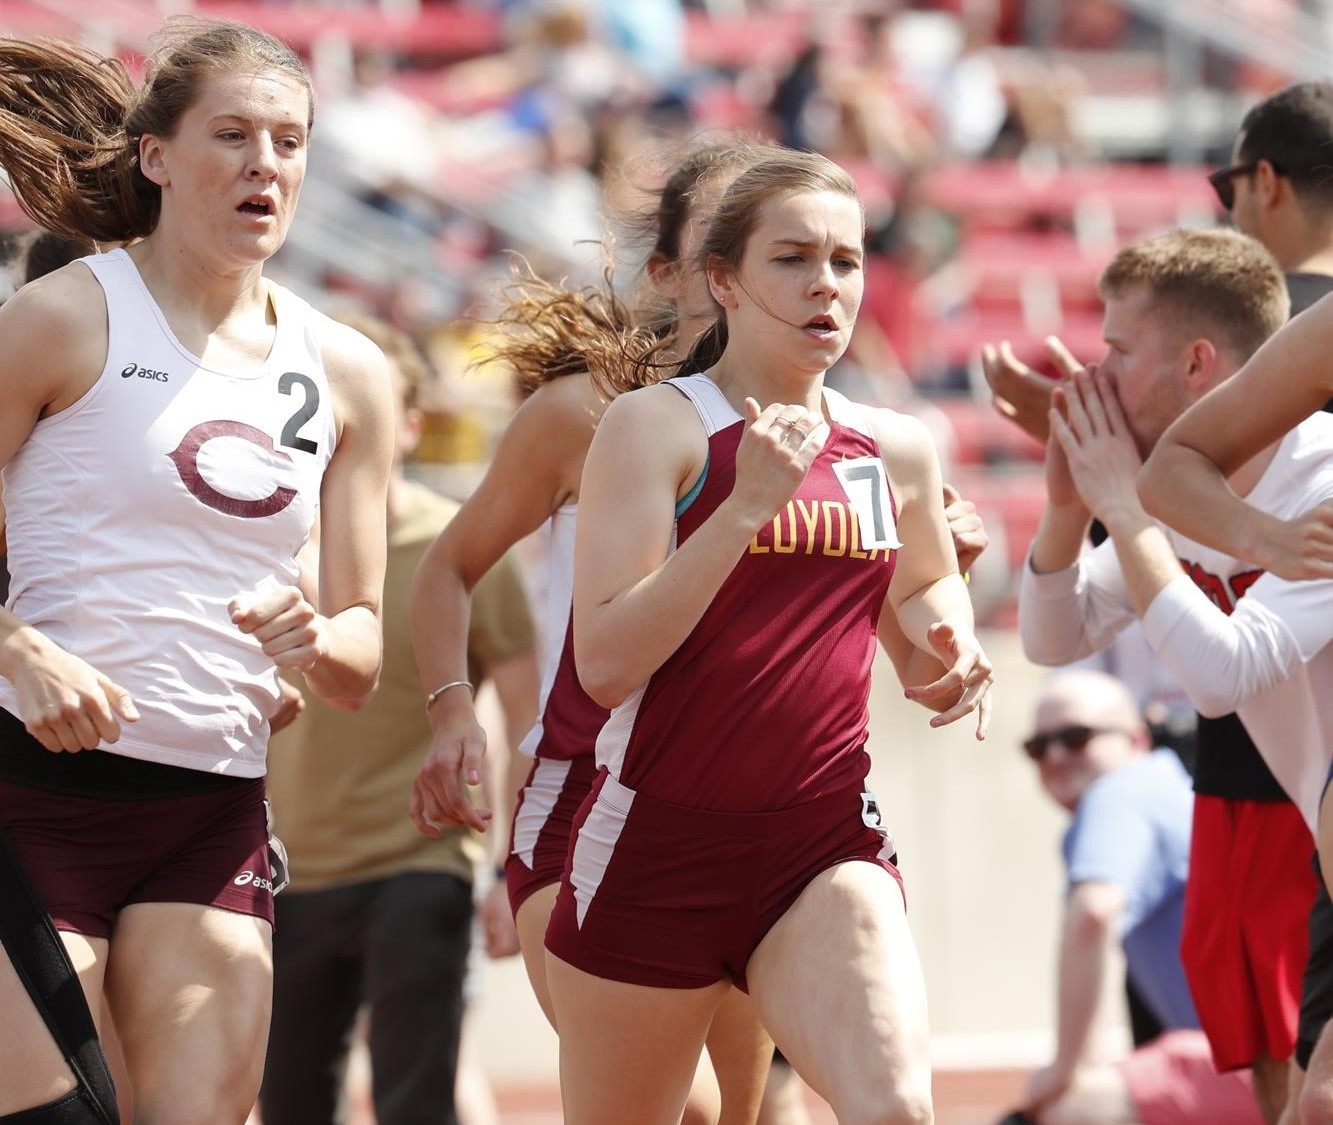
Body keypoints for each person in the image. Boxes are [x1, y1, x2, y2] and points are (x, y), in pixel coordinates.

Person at [537, 148, 991, 1125]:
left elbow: (921, 622)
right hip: (655, 848)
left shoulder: (895, 447)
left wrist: (954, 646)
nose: (827, 284)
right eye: (793, 258)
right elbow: (605, 662)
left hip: (819, 844)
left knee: (896, 1108)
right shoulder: (653, 428)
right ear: (723, 282)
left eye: (847, 260)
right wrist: (742, 512)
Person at [0, 20, 395, 1124]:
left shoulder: (349, 372)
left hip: (211, 808)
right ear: (156, 157)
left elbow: (361, 653)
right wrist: (15, 646)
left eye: (289, 140)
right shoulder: (63, 320)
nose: (264, 162)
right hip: (31, 797)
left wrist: (313, 637)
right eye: (231, 134)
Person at [410, 139, 781, 1125]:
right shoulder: (583, 414)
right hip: (580, 801)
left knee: (735, 1117)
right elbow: (446, 569)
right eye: (722, 245)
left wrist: (936, 580)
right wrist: (454, 717)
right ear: (670, 275)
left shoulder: (827, 431)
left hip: (749, 815)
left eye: (777, 244)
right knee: (678, 1109)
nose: (750, 268)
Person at [1018, 228, 1333, 1123]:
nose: (1096, 377)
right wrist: (1064, 507)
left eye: (1118, 350)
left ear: (1196, 363)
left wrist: (1120, 504)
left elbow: (1220, 676)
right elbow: (1054, 634)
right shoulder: (1175, 493)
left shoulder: (1320, 474)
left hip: (1290, 827)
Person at [258, 310, 538, 1125]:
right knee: (292, 1108)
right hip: (287, 875)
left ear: (409, 423)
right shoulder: (270, 540)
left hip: (419, 866)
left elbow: (529, 717)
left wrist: (508, 867)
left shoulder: (462, 550)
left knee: (417, 1103)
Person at [1003, 668, 1261, 1125]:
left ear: (1137, 740)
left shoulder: (1122, 790)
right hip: (1261, 1054)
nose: (1055, 756)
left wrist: (1067, 1070)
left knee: (1075, 1109)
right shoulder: (1162, 786)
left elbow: (1094, 913)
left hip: (1263, 1060)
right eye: (1038, 747)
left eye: (1076, 737)